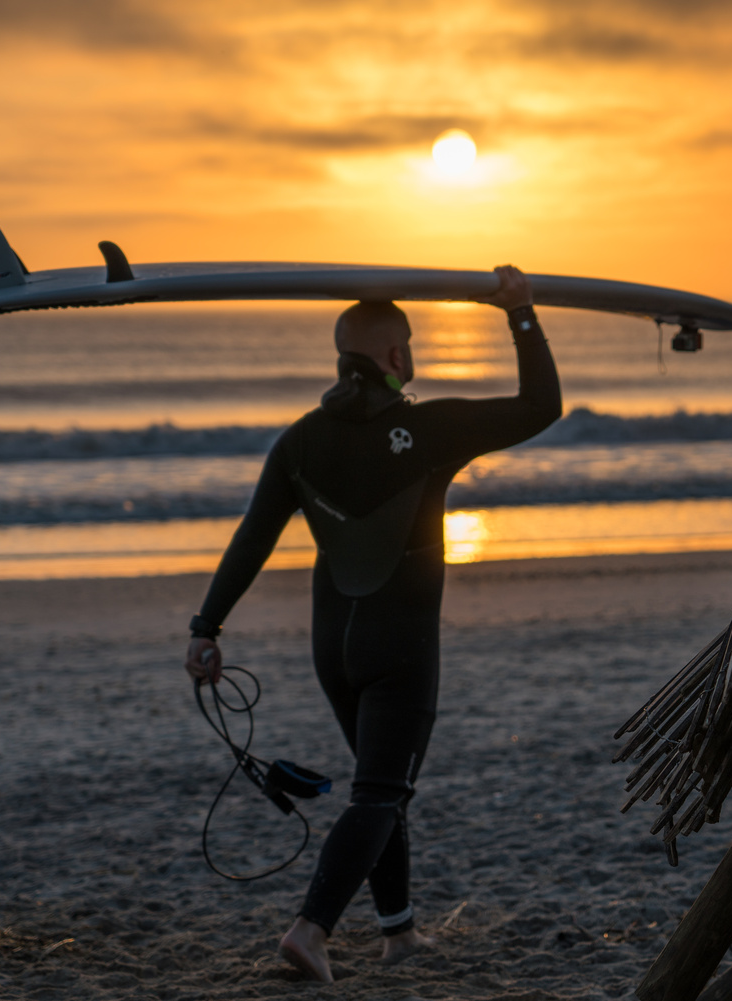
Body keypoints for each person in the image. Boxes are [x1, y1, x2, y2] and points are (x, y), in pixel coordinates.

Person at [181, 266, 560, 982]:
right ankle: (311, 929)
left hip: (336, 649)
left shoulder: (298, 442)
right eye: (406, 346)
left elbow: (252, 537)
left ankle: (399, 935)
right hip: (402, 645)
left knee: (379, 787)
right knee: (382, 792)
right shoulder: (430, 427)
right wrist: (522, 314)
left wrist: (207, 626)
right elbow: (544, 404)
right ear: (396, 358)